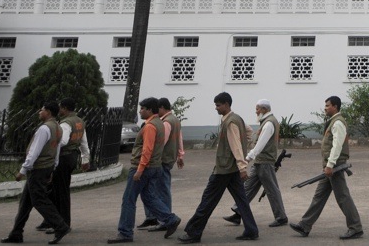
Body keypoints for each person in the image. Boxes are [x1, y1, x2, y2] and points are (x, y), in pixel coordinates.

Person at [178, 92, 258, 243]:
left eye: (218, 105)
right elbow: (248, 133)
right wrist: (244, 147)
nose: (216, 108)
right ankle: (251, 230)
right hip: (231, 169)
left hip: (224, 169)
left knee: (207, 200)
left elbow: (236, 146)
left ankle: (194, 232)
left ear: (227, 105)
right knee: (242, 201)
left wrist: (242, 166)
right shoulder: (236, 118)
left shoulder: (231, 123)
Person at [107, 97, 181, 243]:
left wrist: (139, 170)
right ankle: (170, 219)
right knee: (149, 197)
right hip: (155, 167)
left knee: (128, 199)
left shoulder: (150, 126)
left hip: (144, 167)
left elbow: (147, 150)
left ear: (149, 110)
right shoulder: (160, 123)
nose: (140, 111)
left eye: (142, 108)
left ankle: (125, 232)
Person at [291, 96, 363, 240]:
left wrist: (330, 165)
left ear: (335, 107)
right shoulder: (333, 122)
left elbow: (337, 146)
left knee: (343, 197)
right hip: (330, 166)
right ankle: (305, 225)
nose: (325, 108)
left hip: (334, 166)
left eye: (327, 105)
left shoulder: (338, 123)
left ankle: (355, 228)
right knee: (319, 196)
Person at [0, 102, 71, 245]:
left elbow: (34, 152)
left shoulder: (44, 129)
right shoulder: (57, 128)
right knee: (25, 203)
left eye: (42, 109)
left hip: (37, 169)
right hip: (47, 167)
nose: (40, 112)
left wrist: (22, 170)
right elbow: (56, 150)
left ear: (49, 112)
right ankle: (16, 233)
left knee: (39, 200)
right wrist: (53, 168)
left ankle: (60, 226)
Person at [223, 99, 288, 227]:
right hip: (261, 161)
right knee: (248, 187)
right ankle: (238, 212)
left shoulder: (269, 124)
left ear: (264, 109)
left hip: (265, 161)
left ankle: (281, 217)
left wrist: (248, 158)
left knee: (271, 190)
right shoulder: (267, 122)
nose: (256, 111)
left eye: (257, 108)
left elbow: (260, 145)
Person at [139, 97, 185, 232]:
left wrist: (149, 159)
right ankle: (154, 217)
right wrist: (180, 155)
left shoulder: (166, 122)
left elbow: (160, 143)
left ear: (162, 108)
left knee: (161, 190)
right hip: (168, 158)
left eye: (157, 109)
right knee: (157, 189)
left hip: (162, 160)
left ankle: (165, 219)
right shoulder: (175, 119)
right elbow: (180, 138)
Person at [46, 98, 89, 232]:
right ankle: (50, 220)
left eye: (60, 108)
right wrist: (85, 158)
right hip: (72, 157)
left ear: (64, 108)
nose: (59, 110)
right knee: (55, 190)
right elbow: (83, 141)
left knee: (60, 192)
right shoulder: (79, 121)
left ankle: (62, 223)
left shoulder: (65, 123)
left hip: (63, 157)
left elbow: (62, 142)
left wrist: (52, 155)